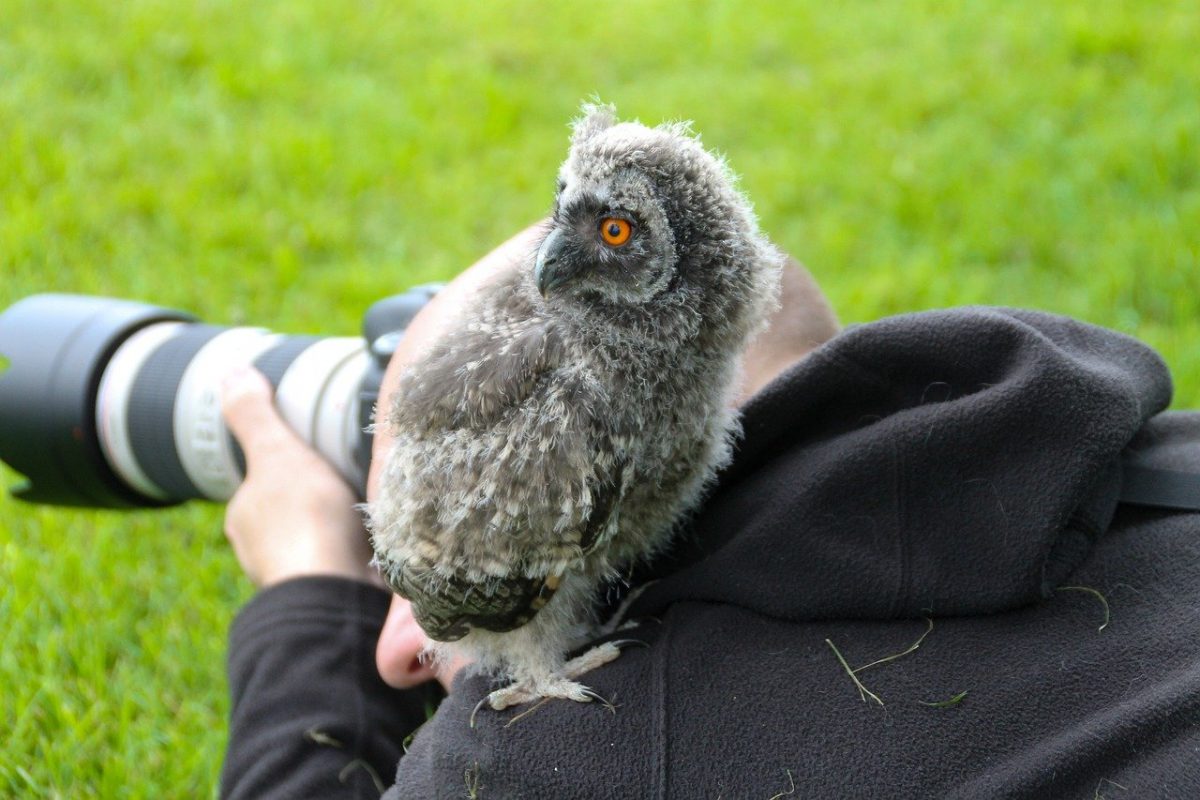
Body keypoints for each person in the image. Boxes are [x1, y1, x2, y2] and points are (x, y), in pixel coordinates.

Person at [218, 226, 1200, 799]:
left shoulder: (579, 748)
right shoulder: (1168, 461)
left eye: (434, 529)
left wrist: (310, 587)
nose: (398, 648)